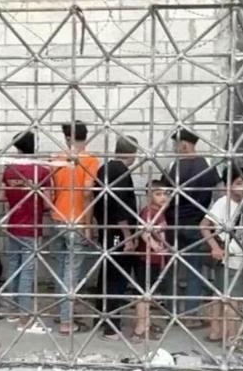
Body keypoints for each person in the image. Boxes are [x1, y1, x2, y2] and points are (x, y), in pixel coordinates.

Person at [164, 127, 220, 326]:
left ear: (184, 145)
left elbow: (165, 195)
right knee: (194, 270)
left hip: (174, 224)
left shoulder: (175, 167)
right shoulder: (207, 166)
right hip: (197, 224)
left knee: (171, 267)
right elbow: (217, 194)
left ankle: (170, 311)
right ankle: (191, 314)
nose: (175, 149)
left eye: (176, 145)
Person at [49, 121, 100, 336]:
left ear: (67, 138)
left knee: (61, 269)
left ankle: (62, 312)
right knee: (72, 271)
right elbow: (88, 193)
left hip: (56, 218)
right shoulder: (90, 160)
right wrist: (88, 224)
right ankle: (66, 321)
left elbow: (50, 190)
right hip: (77, 220)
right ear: (85, 137)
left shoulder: (56, 159)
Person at [1, 130, 51, 326]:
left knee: (13, 266)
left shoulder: (9, 170)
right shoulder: (42, 171)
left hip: (12, 224)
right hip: (32, 226)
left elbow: (2, 197)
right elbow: (47, 204)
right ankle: (24, 314)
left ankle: (12, 310)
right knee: (27, 271)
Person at [94, 136, 139, 340]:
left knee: (106, 274)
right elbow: (120, 207)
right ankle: (111, 327)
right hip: (117, 232)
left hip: (106, 229)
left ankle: (101, 317)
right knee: (117, 277)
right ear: (132, 153)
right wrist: (128, 236)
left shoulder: (104, 169)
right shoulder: (120, 172)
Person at [200, 165, 243, 347]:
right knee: (232, 299)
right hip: (227, 256)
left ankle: (216, 332)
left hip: (237, 257)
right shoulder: (224, 202)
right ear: (228, 185)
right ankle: (231, 337)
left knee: (220, 295)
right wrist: (215, 247)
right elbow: (204, 225)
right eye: (238, 183)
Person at [132, 179, 171, 342]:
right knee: (144, 293)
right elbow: (144, 232)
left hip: (154, 259)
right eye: (158, 194)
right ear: (149, 195)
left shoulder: (158, 211)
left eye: (165, 194)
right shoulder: (148, 211)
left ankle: (146, 324)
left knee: (149, 293)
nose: (163, 197)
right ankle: (140, 329)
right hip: (145, 258)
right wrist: (156, 247)